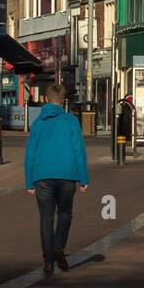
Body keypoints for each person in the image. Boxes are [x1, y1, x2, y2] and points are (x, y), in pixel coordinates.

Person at [24, 82, 89, 276]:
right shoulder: (71, 121)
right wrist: (83, 178)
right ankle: (59, 245)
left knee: (45, 218)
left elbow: (30, 154)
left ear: (45, 99)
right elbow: (79, 151)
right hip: (67, 175)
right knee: (65, 212)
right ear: (63, 101)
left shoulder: (38, 123)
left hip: (42, 175)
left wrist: (29, 181)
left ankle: (48, 260)